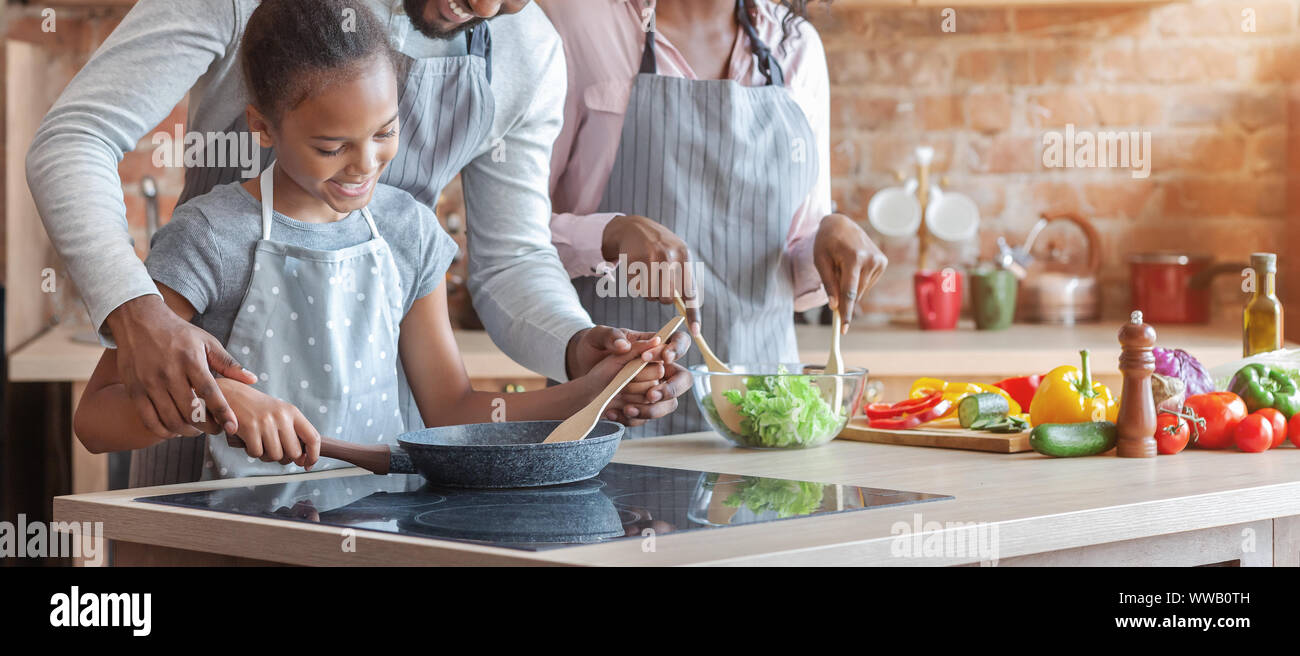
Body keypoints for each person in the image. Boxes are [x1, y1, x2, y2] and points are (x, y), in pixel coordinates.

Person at [27, 0, 692, 484]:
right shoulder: (208, 237)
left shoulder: (414, 226)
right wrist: (139, 314)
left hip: (373, 485)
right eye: (328, 143)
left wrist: (587, 365)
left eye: (385, 131)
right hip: (204, 482)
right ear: (263, 126)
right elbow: (74, 138)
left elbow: (511, 262)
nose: (488, 6)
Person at [540, 0, 888, 435]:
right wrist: (607, 234)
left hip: (765, 423)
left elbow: (791, 267)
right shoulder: (573, 20)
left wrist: (829, 237)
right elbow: (516, 241)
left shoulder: (796, 44)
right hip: (613, 409)